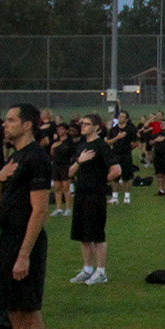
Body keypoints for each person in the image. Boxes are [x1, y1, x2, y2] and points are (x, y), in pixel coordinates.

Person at [0, 104, 54, 329]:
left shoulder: (37, 158)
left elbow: (40, 210)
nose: (6, 124)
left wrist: (24, 255)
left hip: (25, 241)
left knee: (30, 309)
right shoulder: (14, 157)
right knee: (14, 311)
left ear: (28, 125)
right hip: (7, 238)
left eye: (12, 120)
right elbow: (2, 202)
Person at [67, 114, 120, 286]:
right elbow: (70, 172)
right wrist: (79, 161)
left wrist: (101, 182)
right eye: (82, 123)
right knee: (83, 235)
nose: (83, 126)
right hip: (81, 194)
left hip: (95, 195)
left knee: (96, 234)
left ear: (97, 127)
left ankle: (101, 271)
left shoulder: (101, 146)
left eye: (87, 124)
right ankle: (87, 269)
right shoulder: (81, 146)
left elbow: (116, 169)